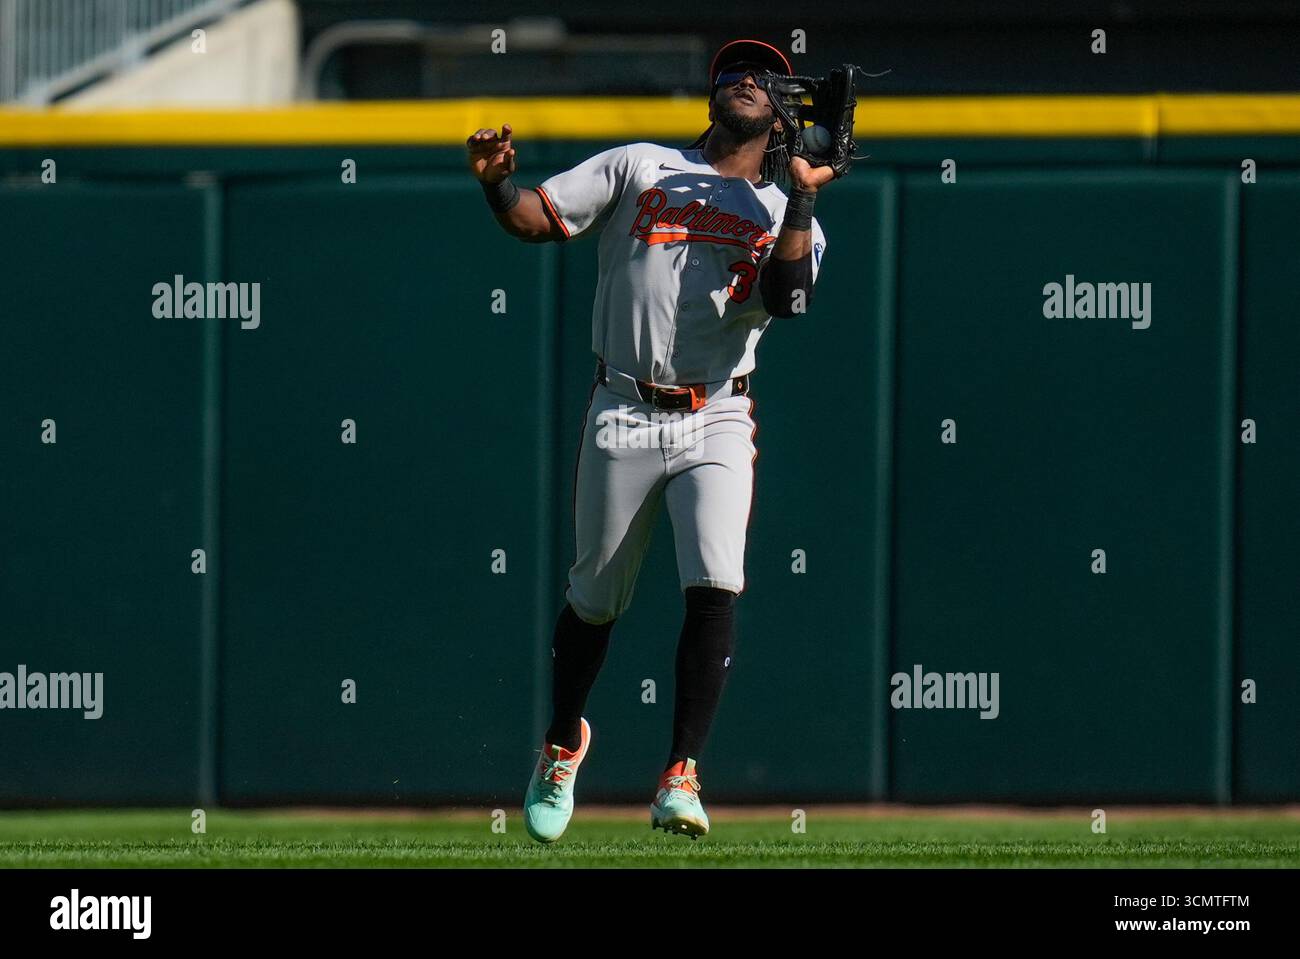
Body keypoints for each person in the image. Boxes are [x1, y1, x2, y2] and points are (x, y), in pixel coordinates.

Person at [466, 38, 831, 841]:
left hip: (718, 412)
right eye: (731, 72)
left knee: (716, 575)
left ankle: (680, 772)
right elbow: (539, 220)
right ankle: (563, 742)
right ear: (712, 96)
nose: (742, 81)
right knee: (595, 596)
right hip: (624, 404)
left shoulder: (780, 213)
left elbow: (790, 298)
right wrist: (499, 188)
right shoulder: (640, 166)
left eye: (762, 77)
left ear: (783, 115)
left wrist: (802, 199)